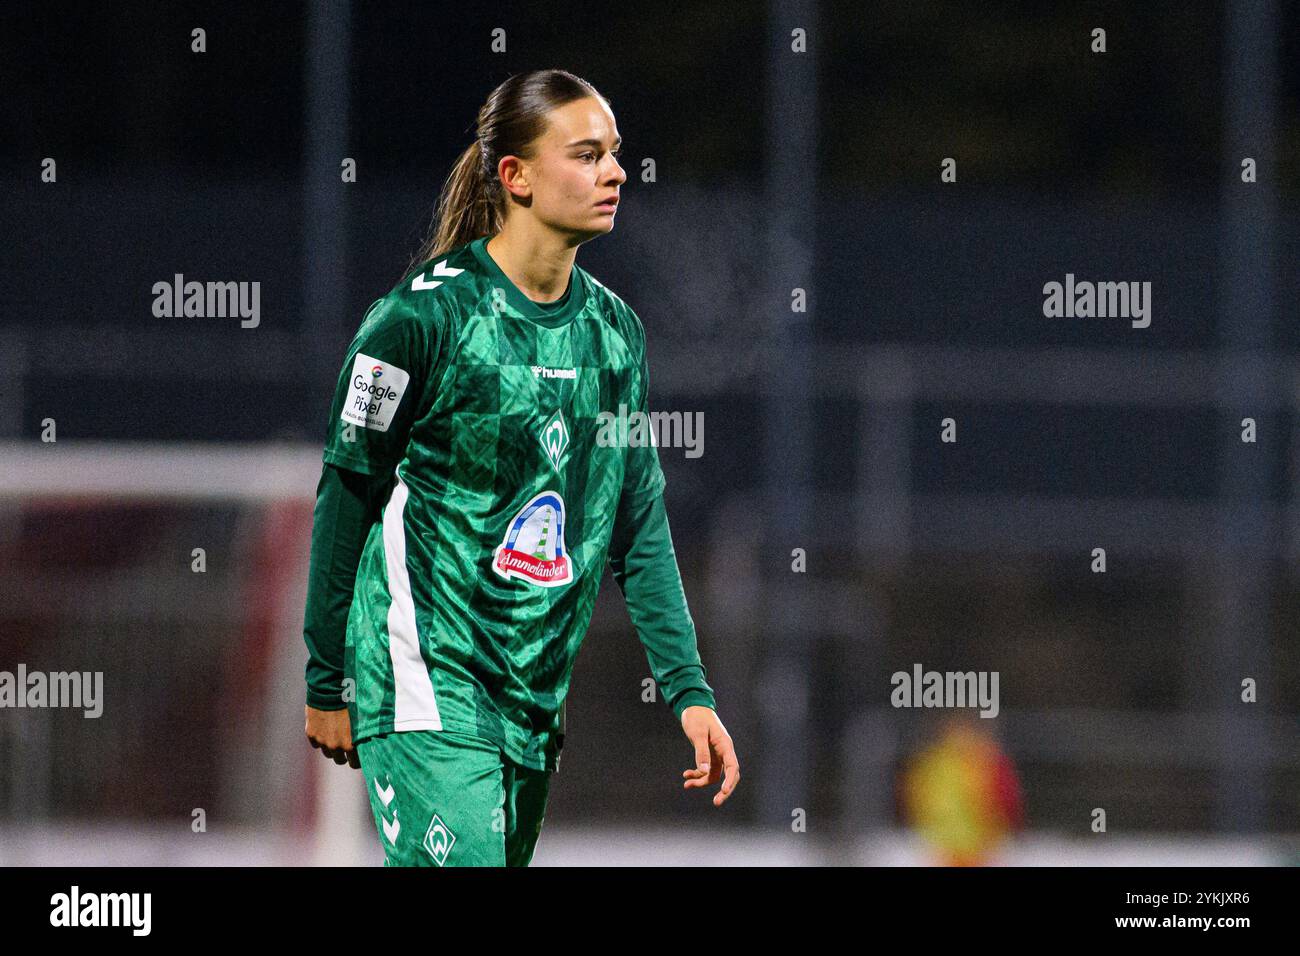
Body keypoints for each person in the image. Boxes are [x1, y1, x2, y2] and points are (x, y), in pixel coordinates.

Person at [301, 69, 739, 866]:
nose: (614, 172)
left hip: (531, 699)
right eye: (586, 155)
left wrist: (689, 690)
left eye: (615, 154)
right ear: (517, 177)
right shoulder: (420, 320)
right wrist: (325, 675)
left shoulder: (615, 336)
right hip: (425, 674)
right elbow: (348, 491)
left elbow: (637, 527)